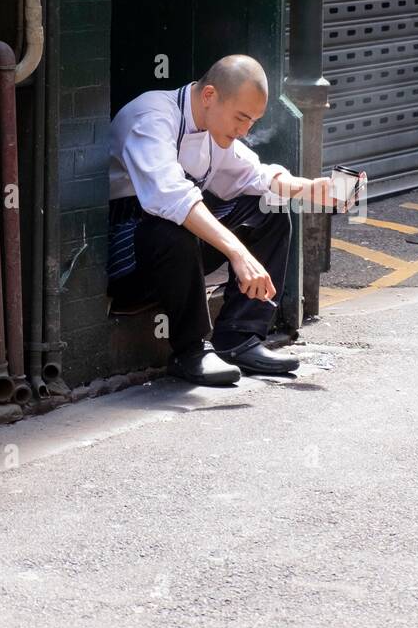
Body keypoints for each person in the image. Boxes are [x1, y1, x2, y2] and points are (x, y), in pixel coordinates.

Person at [107, 55, 341, 386]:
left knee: (268, 207)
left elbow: (254, 176)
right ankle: (191, 351)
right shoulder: (152, 117)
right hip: (127, 257)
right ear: (209, 96)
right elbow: (171, 198)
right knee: (170, 228)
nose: (245, 130)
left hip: (176, 254)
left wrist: (310, 189)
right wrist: (239, 253)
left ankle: (238, 338)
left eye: (253, 123)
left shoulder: (212, 128)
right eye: (241, 118)